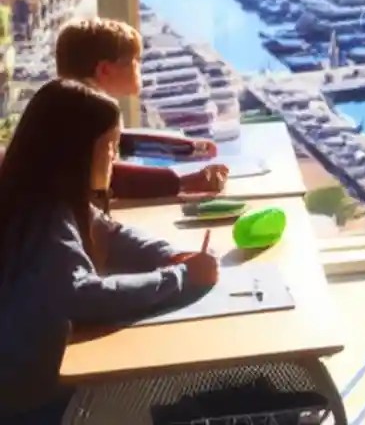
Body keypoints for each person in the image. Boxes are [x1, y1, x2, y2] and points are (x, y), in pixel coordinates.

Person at [0, 80, 219, 424]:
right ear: (77, 151)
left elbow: (112, 233)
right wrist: (180, 277)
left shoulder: (36, 192)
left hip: (31, 386)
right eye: (110, 146)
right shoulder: (45, 218)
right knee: (173, 390)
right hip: (32, 406)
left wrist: (168, 255)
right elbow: (84, 296)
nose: (114, 157)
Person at [54, 18, 228, 198]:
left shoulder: (68, 105)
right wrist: (184, 182)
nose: (140, 67)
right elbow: (109, 177)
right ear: (105, 70)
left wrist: (186, 147)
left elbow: (121, 142)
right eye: (135, 61)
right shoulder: (98, 110)